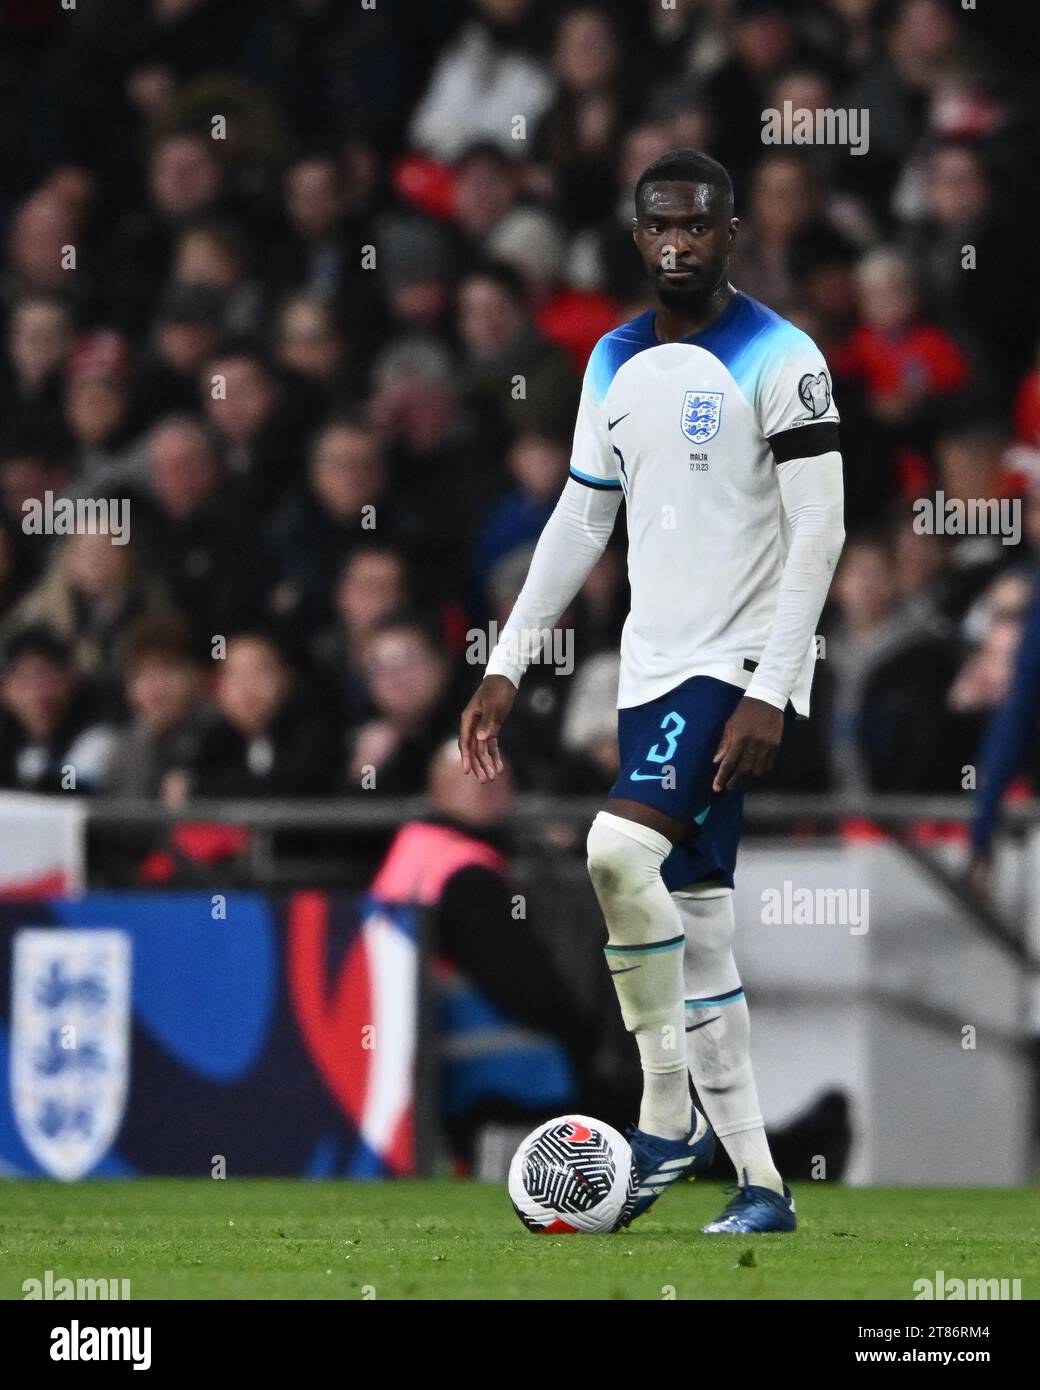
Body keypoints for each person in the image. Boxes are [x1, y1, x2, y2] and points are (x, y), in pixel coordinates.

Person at [459, 148, 846, 1234]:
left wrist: (772, 685)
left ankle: (663, 1112)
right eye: (659, 226)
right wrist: (504, 662)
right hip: (647, 670)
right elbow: (582, 519)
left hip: (734, 668)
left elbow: (821, 529)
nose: (677, 242)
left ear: (730, 234)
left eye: (698, 224)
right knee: (707, 934)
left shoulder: (781, 355)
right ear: (637, 238)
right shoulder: (612, 359)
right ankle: (762, 1184)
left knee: (612, 853)